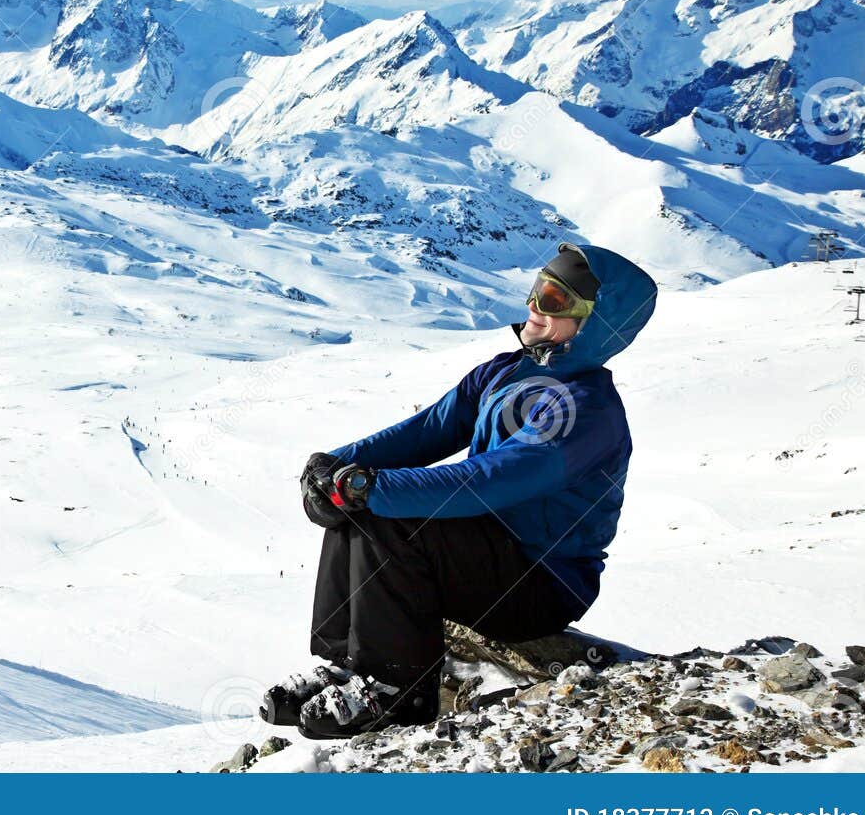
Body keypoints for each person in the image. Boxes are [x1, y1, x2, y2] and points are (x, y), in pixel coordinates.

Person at [260, 242, 657, 740]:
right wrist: (340, 465)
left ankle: (394, 690)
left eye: (556, 301)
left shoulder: (586, 410)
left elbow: (492, 479)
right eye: (538, 291)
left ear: (599, 324)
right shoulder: (506, 371)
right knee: (358, 508)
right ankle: (344, 662)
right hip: (489, 554)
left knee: (391, 514)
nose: (535, 308)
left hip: (540, 583)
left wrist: (370, 488)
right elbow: (429, 430)